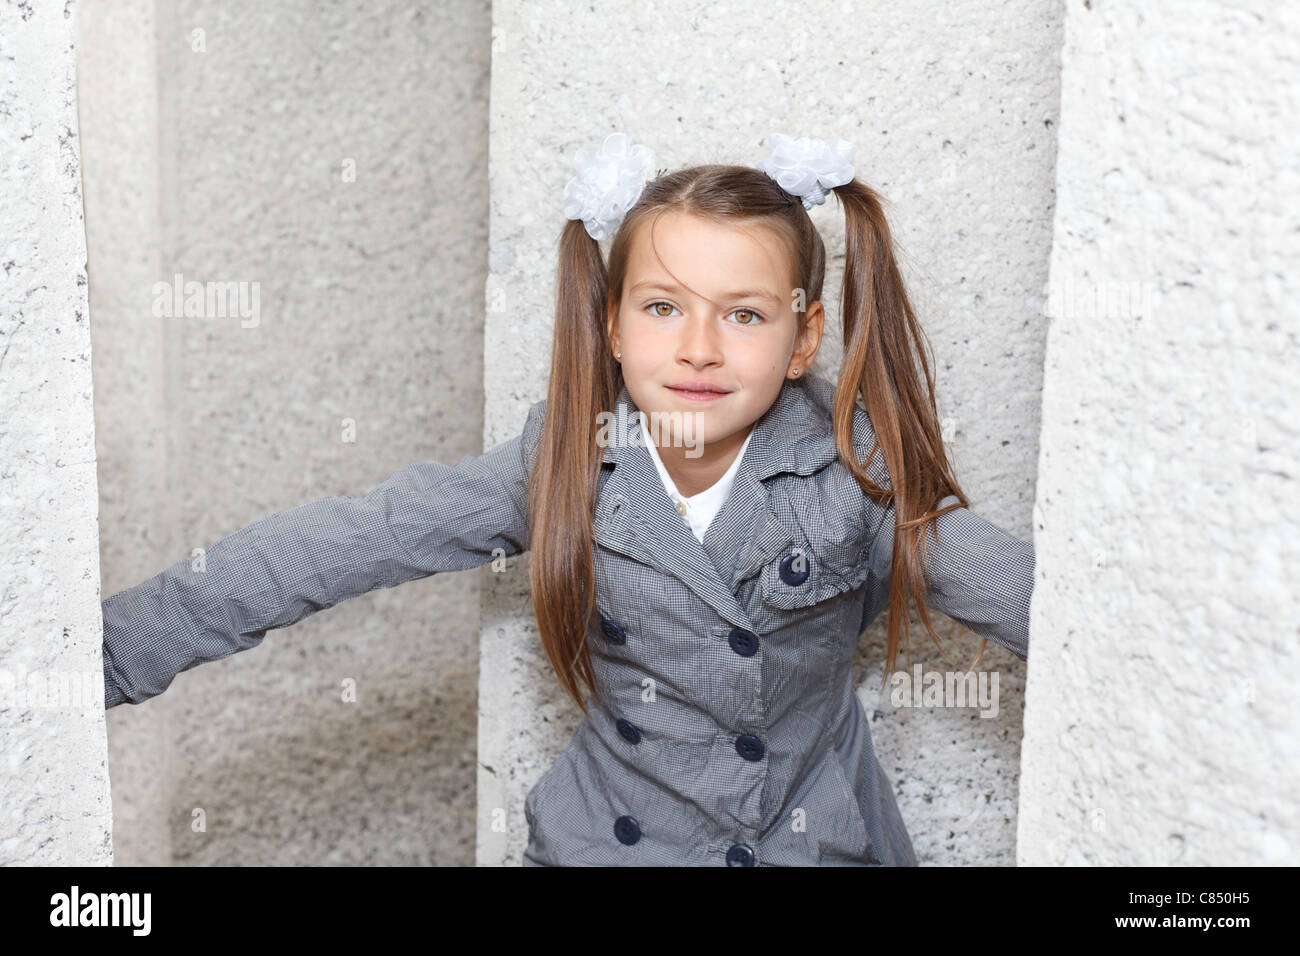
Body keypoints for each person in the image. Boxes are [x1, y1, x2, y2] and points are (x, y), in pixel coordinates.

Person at [102, 131, 1036, 866]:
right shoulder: (564, 463)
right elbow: (351, 540)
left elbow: (1031, 600)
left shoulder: (857, 476)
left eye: (744, 313)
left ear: (803, 340)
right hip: (608, 848)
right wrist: (99, 655)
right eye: (663, 307)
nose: (699, 346)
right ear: (614, 328)